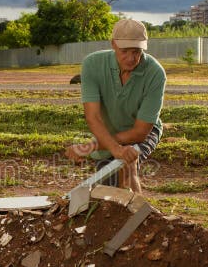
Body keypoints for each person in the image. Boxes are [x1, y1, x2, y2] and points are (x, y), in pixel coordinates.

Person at [65, 18, 166, 193]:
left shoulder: (155, 73)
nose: (131, 58)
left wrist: (90, 147)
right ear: (113, 44)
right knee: (106, 193)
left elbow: (140, 132)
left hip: (142, 132)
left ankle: (137, 216)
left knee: (127, 164)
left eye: (137, 51)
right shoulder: (93, 64)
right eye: (125, 51)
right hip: (109, 135)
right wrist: (113, 148)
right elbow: (93, 117)